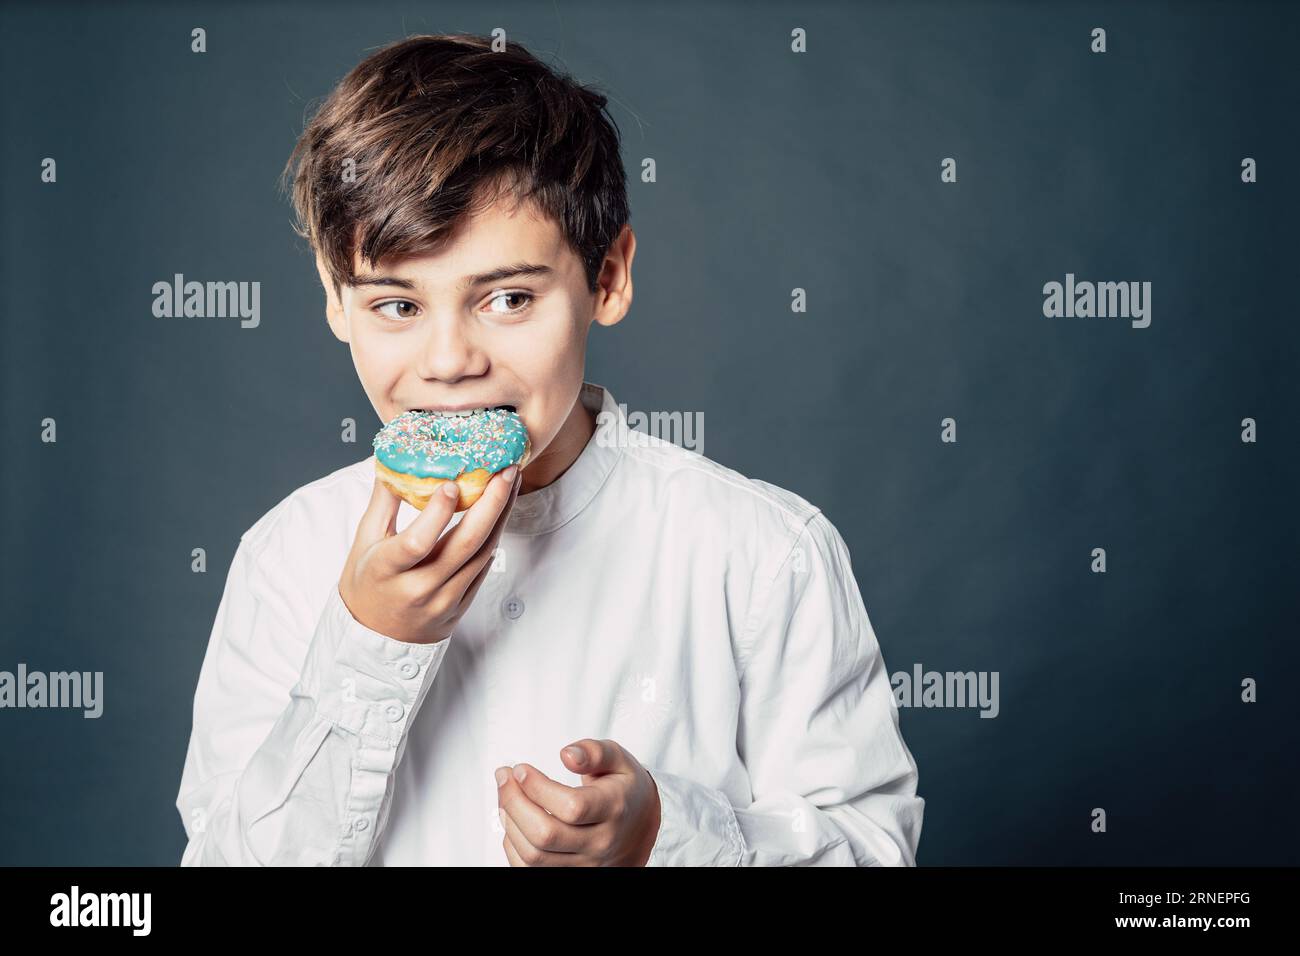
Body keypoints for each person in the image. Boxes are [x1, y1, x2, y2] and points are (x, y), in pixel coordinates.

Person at [175, 33, 924, 866]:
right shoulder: (286, 558)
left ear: (607, 279)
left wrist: (663, 838)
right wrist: (367, 643)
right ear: (336, 301)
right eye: (396, 305)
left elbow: (873, 849)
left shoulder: (761, 555)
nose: (450, 360)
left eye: (507, 297)